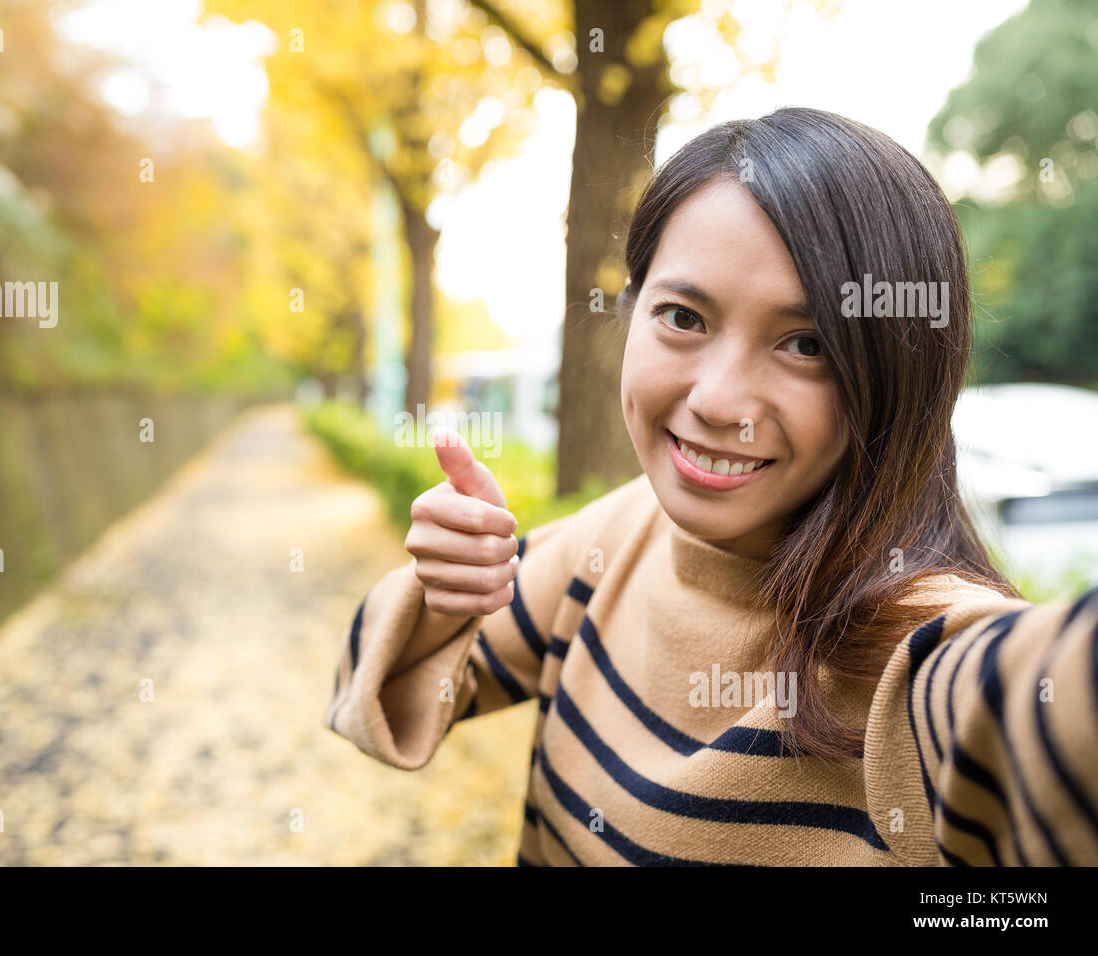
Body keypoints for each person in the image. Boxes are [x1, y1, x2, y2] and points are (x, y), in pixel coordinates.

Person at [322, 106, 1098, 866]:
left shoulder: (917, 650)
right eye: (683, 318)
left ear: (900, 377)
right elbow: (376, 686)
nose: (719, 400)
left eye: (804, 344)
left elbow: (1032, 703)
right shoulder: (619, 537)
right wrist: (446, 597)